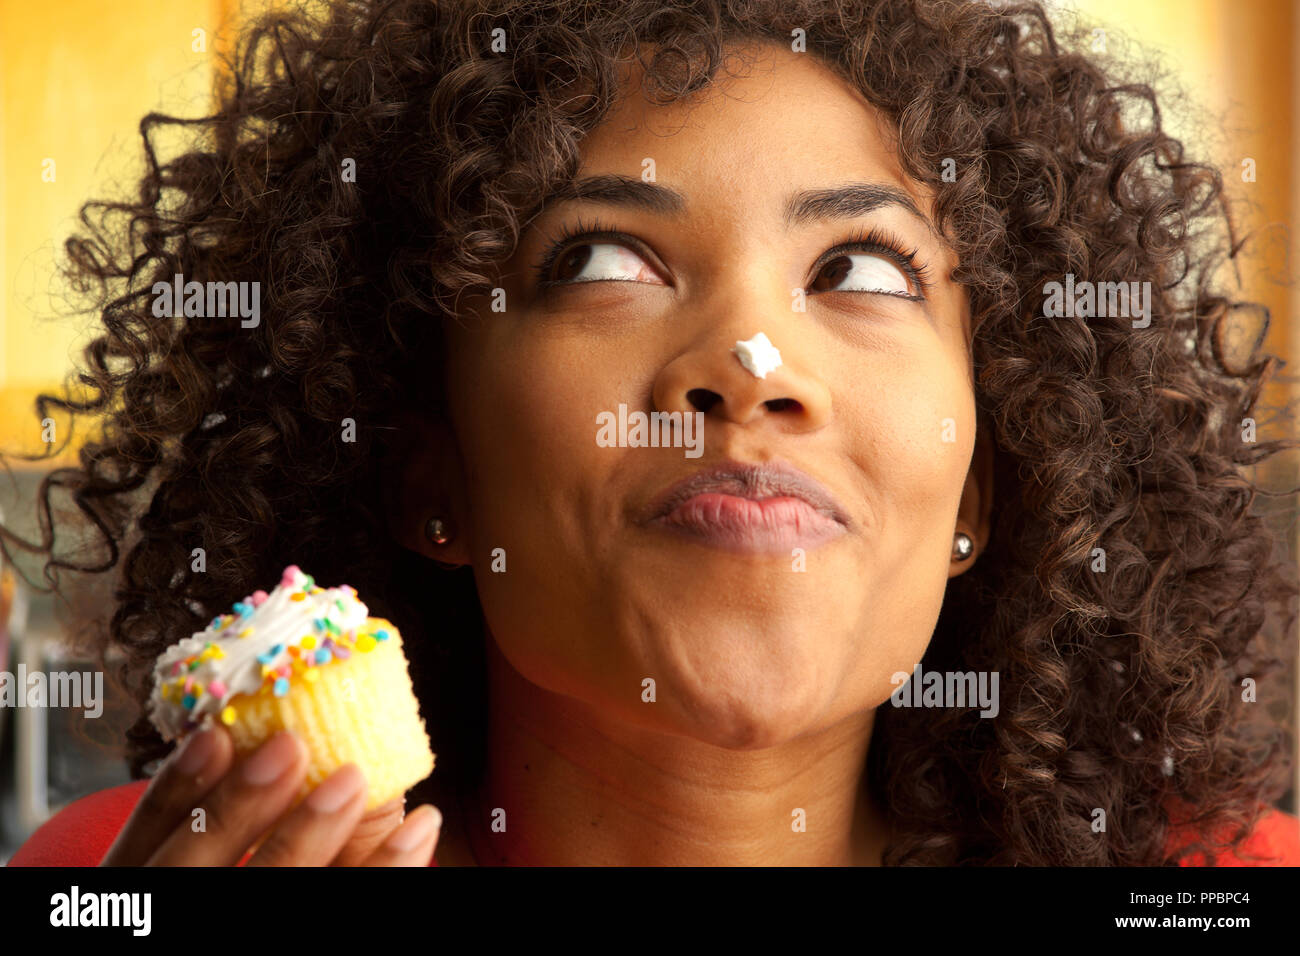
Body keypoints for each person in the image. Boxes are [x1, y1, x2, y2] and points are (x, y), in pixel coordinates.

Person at [5, 0, 1299, 866]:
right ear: (428, 472)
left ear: (984, 493)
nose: (753, 373)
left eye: (861, 272)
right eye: (606, 258)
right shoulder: (125, 875)